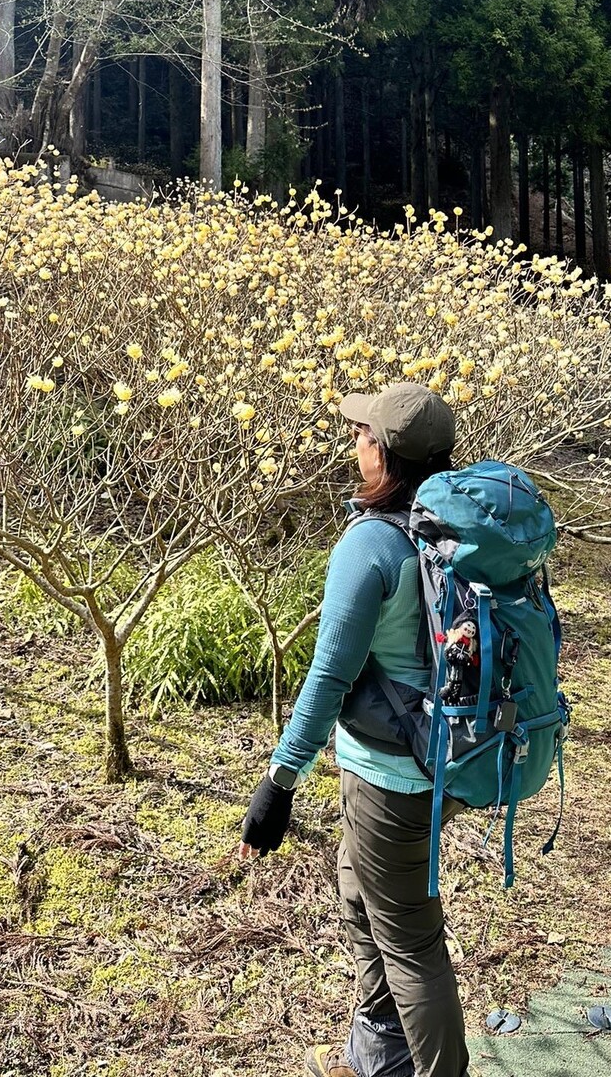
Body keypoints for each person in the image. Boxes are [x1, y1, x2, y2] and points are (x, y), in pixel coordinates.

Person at [239, 381, 470, 1077]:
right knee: (359, 897)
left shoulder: (371, 545)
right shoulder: (453, 527)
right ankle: (379, 1056)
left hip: (394, 776)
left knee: (409, 944)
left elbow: (328, 677)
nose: (354, 441)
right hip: (439, 755)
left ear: (386, 453)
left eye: (363, 433)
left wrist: (279, 781)